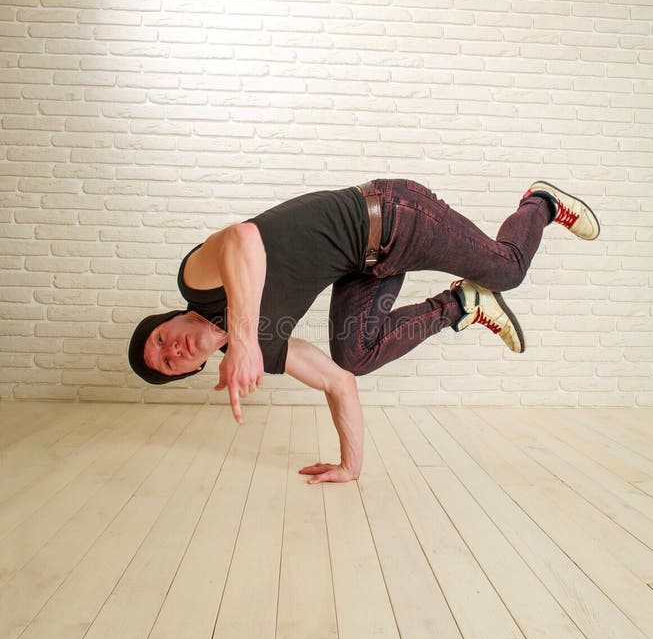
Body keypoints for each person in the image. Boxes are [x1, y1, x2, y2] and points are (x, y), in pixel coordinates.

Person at [128, 178, 600, 484]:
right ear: (193, 368)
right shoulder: (261, 347)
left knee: (509, 269)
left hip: (392, 216)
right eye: (170, 363)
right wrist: (350, 466)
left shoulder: (196, 281)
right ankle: (461, 304)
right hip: (370, 264)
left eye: (160, 340)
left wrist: (245, 339)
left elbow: (242, 237)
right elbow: (339, 381)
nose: (173, 349)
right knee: (354, 355)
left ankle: (541, 202)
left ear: (167, 319)